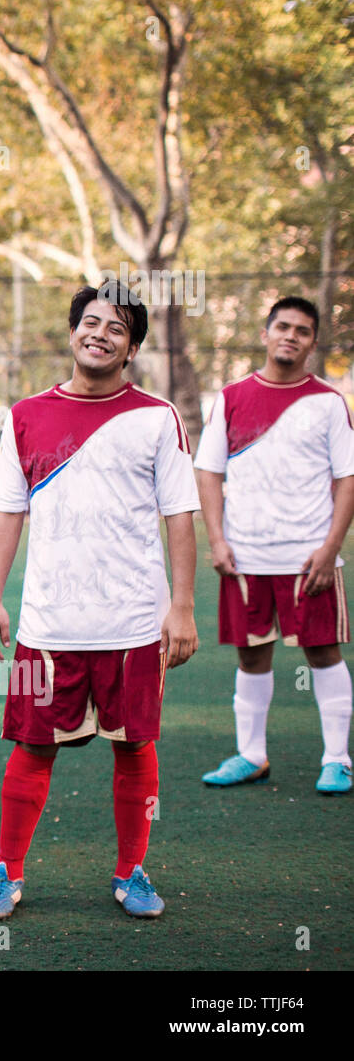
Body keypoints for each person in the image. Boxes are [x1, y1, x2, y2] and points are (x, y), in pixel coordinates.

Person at [0, 285, 199, 921]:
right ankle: (6, 872)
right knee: (31, 747)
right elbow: (6, 512)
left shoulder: (158, 417)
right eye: (90, 322)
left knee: (134, 747)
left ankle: (132, 871)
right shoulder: (24, 415)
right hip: (49, 621)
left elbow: (181, 515)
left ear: (132, 347)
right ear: (73, 332)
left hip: (133, 620)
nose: (100, 333)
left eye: (117, 327)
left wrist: (182, 608)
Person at [195, 297, 354, 795]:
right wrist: (217, 540)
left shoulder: (328, 402)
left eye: (303, 331)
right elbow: (208, 470)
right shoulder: (231, 396)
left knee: (323, 653)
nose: (291, 336)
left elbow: (348, 479)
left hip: (309, 557)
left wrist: (330, 549)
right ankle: (252, 755)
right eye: (282, 326)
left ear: (311, 342)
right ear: (265, 334)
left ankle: (338, 759)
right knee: (250, 656)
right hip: (245, 558)